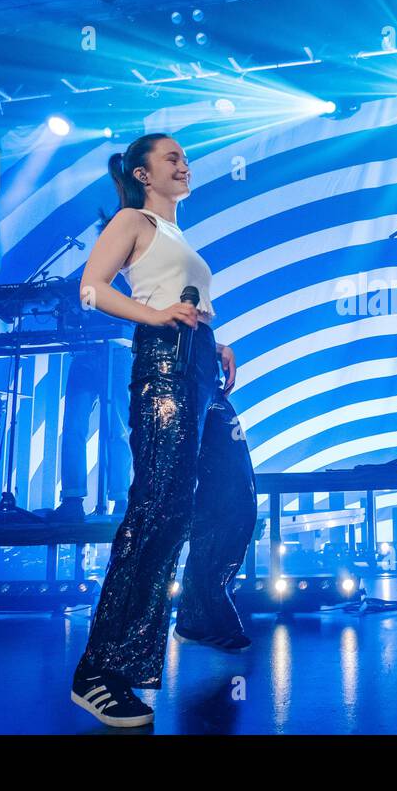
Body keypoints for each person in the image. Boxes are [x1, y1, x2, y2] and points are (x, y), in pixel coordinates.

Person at [69, 133, 259, 728]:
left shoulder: (177, 236)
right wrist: (155, 316)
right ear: (143, 173)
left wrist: (214, 340)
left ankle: (201, 610)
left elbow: (183, 298)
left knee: (234, 497)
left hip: (200, 364)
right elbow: (92, 288)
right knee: (160, 508)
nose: (185, 164)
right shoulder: (132, 218)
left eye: (185, 157)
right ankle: (100, 671)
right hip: (164, 366)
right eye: (172, 157)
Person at [52, 343, 133, 522]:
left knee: (118, 430)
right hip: (86, 350)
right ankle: (72, 500)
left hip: (117, 350)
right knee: (74, 428)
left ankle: (121, 500)